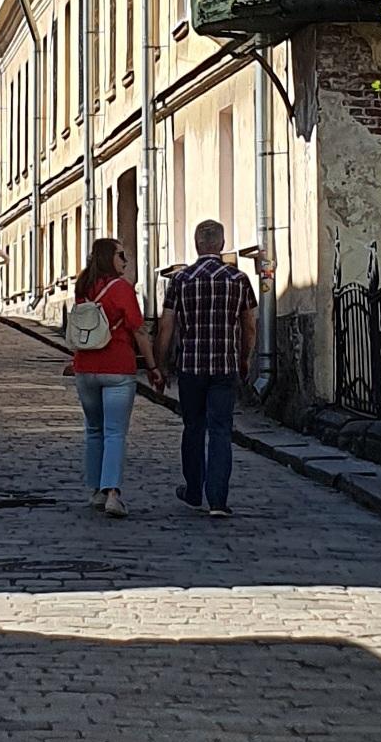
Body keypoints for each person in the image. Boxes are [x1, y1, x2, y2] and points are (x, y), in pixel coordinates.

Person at [156, 219, 257, 519]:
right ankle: (217, 500)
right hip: (224, 365)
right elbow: (249, 324)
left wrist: (160, 365)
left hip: (190, 366)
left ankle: (193, 490)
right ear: (222, 244)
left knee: (193, 427)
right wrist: (244, 357)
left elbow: (166, 326)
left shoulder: (181, 280)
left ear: (197, 244)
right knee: (221, 430)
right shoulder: (238, 279)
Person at [66, 237, 162, 518]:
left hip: (85, 367)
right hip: (117, 368)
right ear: (110, 257)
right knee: (115, 432)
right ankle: (112, 494)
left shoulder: (82, 287)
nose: (125, 260)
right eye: (121, 255)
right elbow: (139, 330)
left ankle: (95, 490)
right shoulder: (121, 288)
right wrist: (153, 366)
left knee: (93, 430)